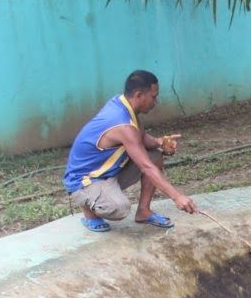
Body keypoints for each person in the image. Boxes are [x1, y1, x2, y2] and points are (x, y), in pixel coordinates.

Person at [63, 70, 198, 232]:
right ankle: (89, 212)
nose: (156, 102)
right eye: (154, 97)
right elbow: (145, 167)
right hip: (84, 182)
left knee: (154, 155)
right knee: (119, 207)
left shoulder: (123, 104)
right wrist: (177, 197)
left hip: (107, 173)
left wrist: (159, 142)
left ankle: (143, 212)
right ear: (139, 95)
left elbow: (141, 137)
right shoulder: (123, 124)